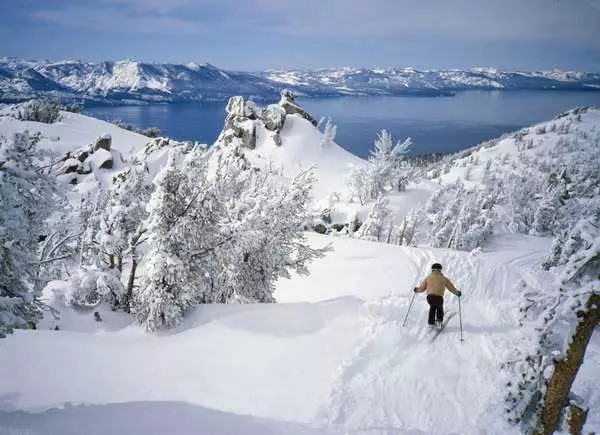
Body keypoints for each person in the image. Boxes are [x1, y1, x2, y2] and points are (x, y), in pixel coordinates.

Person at [413, 263, 461, 329]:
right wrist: (457, 293)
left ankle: (431, 323)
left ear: (432, 270)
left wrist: (417, 290)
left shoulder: (428, 278)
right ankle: (439, 322)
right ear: (440, 270)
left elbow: (422, 288)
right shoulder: (444, 279)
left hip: (429, 298)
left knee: (432, 308)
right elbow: (451, 288)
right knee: (439, 308)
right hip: (439, 297)